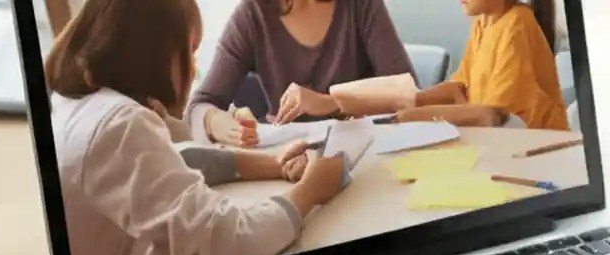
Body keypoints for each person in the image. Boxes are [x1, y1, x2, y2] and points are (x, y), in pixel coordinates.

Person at [45, 0, 346, 255]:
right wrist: (310, 192)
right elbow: (228, 243)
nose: (194, 67)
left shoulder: (81, 102)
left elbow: (170, 160)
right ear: (155, 50)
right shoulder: (119, 124)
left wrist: (273, 164)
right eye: (190, 51)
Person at [187, 0, 415, 146]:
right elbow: (200, 104)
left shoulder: (361, 6)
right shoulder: (252, 15)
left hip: (363, 156)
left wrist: (333, 102)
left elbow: (409, 92)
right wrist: (214, 121)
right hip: (286, 162)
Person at [416, 0, 568, 131]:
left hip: (540, 150)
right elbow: (460, 87)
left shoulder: (517, 23)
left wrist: (411, 116)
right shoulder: (481, 23)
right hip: (500, 141)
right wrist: (413, 100)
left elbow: (494, 116)